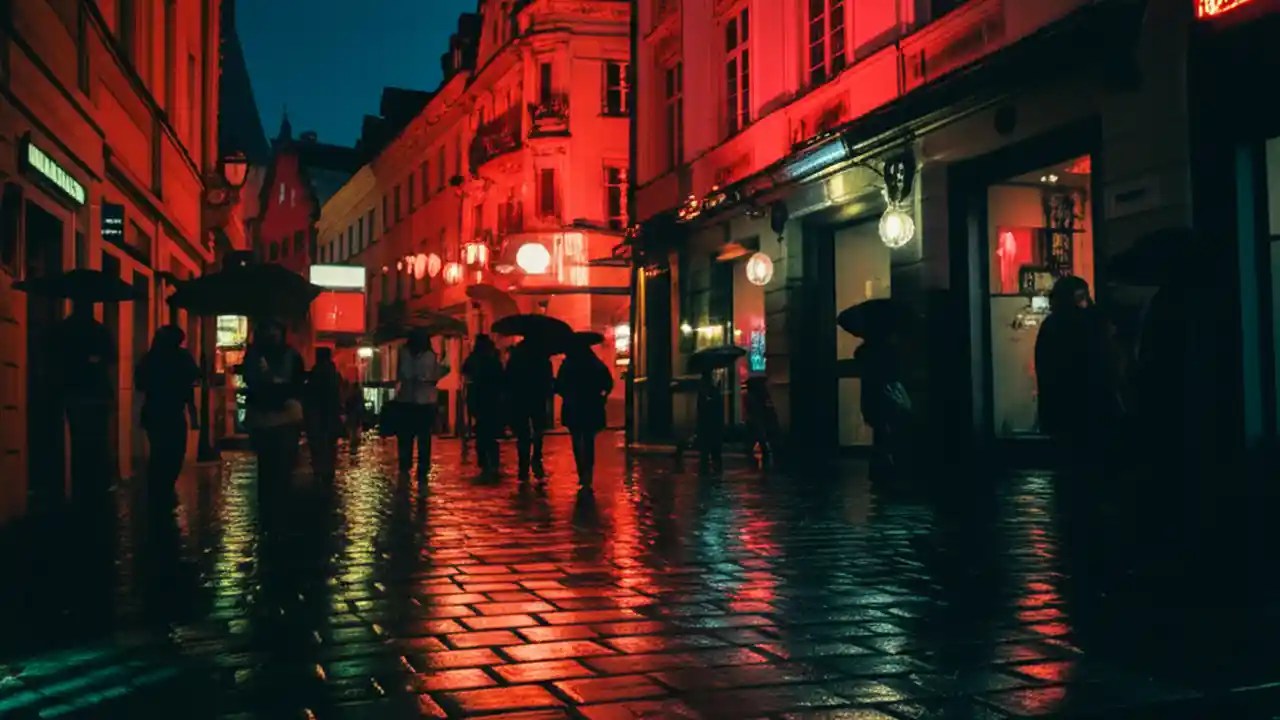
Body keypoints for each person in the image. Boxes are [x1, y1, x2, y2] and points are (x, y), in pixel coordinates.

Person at [1034, 276, 1124, 460]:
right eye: (1082, 297)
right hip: (1093, 409)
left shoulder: (1051, 326)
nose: (1087, 301)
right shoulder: (1092, 324)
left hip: (1061, 411)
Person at [53, 299, 117, 504]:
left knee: (79, 439)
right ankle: (95, 485)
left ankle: (82, 485)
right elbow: (111, 357)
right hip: (95, 392)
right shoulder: (99, 331)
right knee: (97, 440)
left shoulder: (63, 330)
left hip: (74, 391)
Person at [134, 325, 200, 506]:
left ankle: (159, 489)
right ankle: (163, 488)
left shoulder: (150, 359)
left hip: (155, 411)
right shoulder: (181, 357)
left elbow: (140, 383)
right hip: (171, 412)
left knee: (160, 452)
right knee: (173, 452)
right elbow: (193, 379)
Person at [242, 320, 306, 493]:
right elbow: (250, 380)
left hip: (282, 415)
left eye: (274, 329)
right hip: (266, 416)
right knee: (269, 468)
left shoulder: (290, 355)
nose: (271, 333)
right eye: (268, 329)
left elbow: (298, 382)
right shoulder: (255, 356)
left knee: (280, 468)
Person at [556, 339, 614, 489]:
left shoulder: (568, 365)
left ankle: (582, 471)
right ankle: (588, 472)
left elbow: (559, 386)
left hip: (573, 406)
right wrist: (602, 396)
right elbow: (608, 383)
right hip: (591, 405)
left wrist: (567, 394)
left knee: (576, 438)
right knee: (589, 440)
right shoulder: (596, 364)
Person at [856, 329, 912, 479]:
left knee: (880, 433)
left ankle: (880, 467)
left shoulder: (865, 351)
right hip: (885, 395)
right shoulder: (891, 350)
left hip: (873, 396)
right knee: (888, 431)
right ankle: (888, 466)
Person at [396, 328, 449, 481]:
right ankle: (413, 467)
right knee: (416, 437)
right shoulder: (420, 355)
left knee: (415, 437)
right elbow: (403, 373)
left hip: (417, 401)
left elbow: (403, 374)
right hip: (416, 401)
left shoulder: (422, 355)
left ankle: (415, 467)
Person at [506, 339, 553, 481]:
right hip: (537, 397)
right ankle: (536, 457)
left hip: (520, 398)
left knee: (522, 433)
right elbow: (547, 378)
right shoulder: (542, 357)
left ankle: (524, 464)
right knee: (539, 429)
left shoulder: (516, 356)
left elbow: (508, 377)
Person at [462, 334, 504, 474]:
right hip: (491, 398)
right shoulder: (493, 360)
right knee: (491, 431)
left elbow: (465, 371)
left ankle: (483, 460)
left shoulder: (473, 358)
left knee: (482, 429)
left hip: (477, 397)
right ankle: (492, 460)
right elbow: (501, 378)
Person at [304, 347, 343, 481]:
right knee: (329, 446)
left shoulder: (317, 373)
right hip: (329, 415)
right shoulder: (333, 374)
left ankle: (320, 471)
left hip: (319, 415)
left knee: (319, 445)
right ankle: (327, 471)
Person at [695, 368, 725, 475]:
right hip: (711, 426)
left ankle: (709, 471)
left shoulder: (705, 391)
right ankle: (714, 471)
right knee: (713, 451)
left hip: (707, 426)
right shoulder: (710, 391)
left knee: (707, 451)